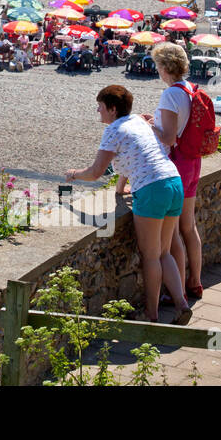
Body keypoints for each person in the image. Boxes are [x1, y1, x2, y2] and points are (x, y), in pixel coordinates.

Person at [66, 85, 190, 324]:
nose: (98, 111)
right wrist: (120, 188)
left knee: (151, 256)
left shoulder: (113, 131)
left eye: (100, 107)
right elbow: (133, 158)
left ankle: (152, 315)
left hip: (152, 189)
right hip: (173, 182)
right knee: (165, 253)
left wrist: (73, 174)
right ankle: (181, 304)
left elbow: (95, 172)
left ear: (112, 109)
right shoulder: (138, 122)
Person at [148, 41, 205, 302]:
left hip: (177, 163)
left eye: (157, 64)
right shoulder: (191, 89)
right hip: (193, 161)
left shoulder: (170, 94)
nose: (156, 69)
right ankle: (195, 282)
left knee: (172, 234)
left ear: (165, 66)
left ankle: (178, 290)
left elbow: (169, 138)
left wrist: (148, 125)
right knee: (189, 226)